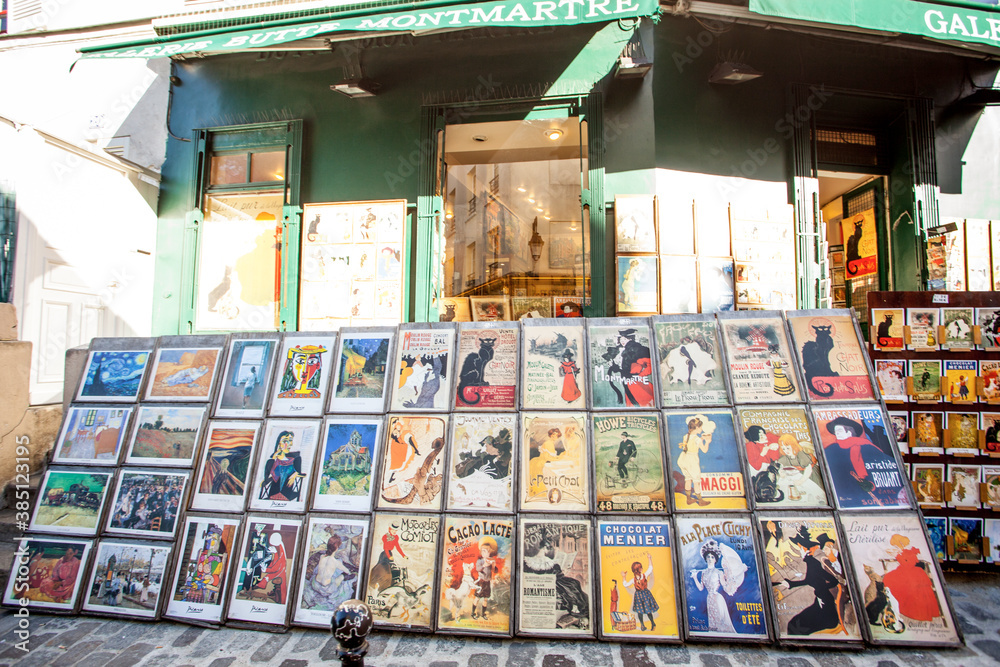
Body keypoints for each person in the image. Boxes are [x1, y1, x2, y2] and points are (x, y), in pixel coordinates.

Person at [777, 527, 846, 635]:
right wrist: (790, 583)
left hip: (825, 609)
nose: (799, 551)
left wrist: (822, 589)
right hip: (820, 603)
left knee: (794, 626)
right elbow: (810, 580)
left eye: (799, 548)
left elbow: (830, 580)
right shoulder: (811, 562)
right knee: (793, 625)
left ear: (805, 549)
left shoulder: (813, 563)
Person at [689, 540, 742, 634]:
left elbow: (726, 588)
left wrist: (732, 578)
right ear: (705, 558)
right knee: (713, 622)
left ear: (715, 559)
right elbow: (701, 588)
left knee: (720, 621)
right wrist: (694, 577)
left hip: (717, 599)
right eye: (708, 556)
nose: (710, 558)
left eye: (712, 557)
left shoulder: (719, 572)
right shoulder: (703, 573)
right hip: (709, 599)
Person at [259, 430, 304, 502]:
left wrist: (295, 474)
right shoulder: (272, 461)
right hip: (273, 493)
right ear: (279, 444)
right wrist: (274, 458)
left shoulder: (296, 459)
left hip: (287, 494)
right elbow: (267, 479)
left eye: (290, 441)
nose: (289, 444)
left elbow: (300, 474)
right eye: (285, 441)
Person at [677, 415, 712, 506]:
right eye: (700, 427)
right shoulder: (697, 439)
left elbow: (692, 442)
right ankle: (700, 501)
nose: (701, 429)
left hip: (683, 458)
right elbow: (704, 450)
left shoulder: (686, 436)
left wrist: (701, 439)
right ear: (696, 427)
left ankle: (688, 499)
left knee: (688, 479)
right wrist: (707, 441)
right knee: (696, 481)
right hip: (691, 460)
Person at [614, 329, 654, 407]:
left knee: (640, 402)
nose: (622, 341)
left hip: (637, 382)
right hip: (629, 381)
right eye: (621, 339)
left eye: (625, 339)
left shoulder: (638, 350)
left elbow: (650, 365)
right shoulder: (623, 350)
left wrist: (640, 375)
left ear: (630, 339)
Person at [622, 554, 659, 631]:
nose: (642, 568)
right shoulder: (634, 579)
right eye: (641, 567)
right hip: (639, 595)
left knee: (648, 611)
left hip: (644, 594)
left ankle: (653, 623)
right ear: (639, 569)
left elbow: (650, 568)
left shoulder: (644, 575)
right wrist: (624, 577)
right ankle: (642, 625)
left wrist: (649, 558)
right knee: (640, 612)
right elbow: (626, 584)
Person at [472, 537, 497, 620]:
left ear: (489, 552)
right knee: (477, 597)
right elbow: (478, 569)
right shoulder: (480, 561)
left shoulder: (491, 560)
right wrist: (484, 565)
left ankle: (483, 614)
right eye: (482, 551)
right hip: (481, 582)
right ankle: (473, 613)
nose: (484, 553)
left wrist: (493, 565)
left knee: (485, 599)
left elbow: (494, 570)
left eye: (485, 551)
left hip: (487, 582)